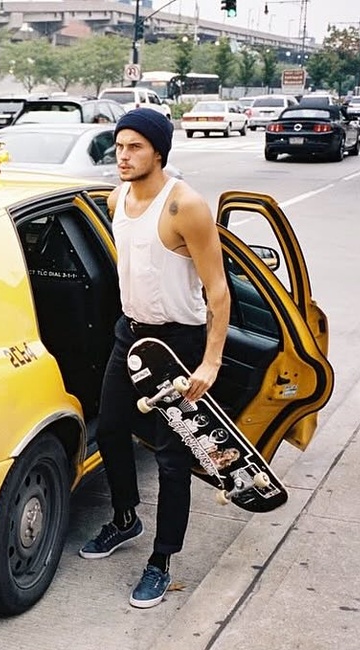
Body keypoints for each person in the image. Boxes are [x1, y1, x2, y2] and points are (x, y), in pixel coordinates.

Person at [78, 108, 230, 609]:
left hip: (179, 344)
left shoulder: (185, 206)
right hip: (130, 336)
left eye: (135, 147)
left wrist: (209, 363)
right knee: (112, 430)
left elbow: (218, 291)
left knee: (170, 458)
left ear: (159, 151)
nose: (123, 156)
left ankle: (161, 561)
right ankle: (126, 518)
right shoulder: (115, 197)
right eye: (119, 146)